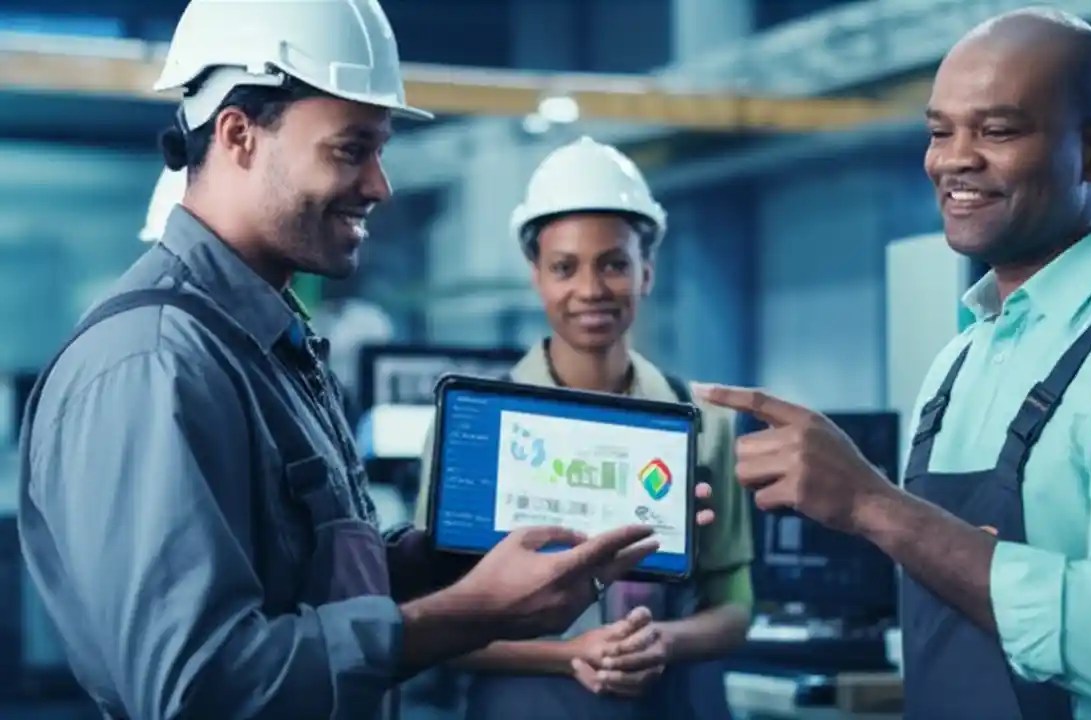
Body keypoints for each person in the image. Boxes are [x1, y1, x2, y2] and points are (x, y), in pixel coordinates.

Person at [16, 3, 687, 718]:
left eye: (380, 149)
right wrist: (470, 612)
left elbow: (308, 580)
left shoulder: (267, 345)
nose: (380, 184)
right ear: (239, 135)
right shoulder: (154, 363)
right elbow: (198, 686)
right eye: (349, 150)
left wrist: (442, 557)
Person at [696, 8, 1091, 720]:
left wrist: (874, 503)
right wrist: (821, 504)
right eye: (940, 131)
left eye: (997, 131)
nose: (954, 158)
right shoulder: (961, 358)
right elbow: (944, 597)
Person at [412, 136, 755, 720]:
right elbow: (431, 621)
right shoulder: (474, 428)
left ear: (647, 271)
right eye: (565, 267)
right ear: (536, 277)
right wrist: (569, 653)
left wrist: (660, 643)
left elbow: (735, 606)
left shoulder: (705, 425)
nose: (591, 290)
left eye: (614, 264)